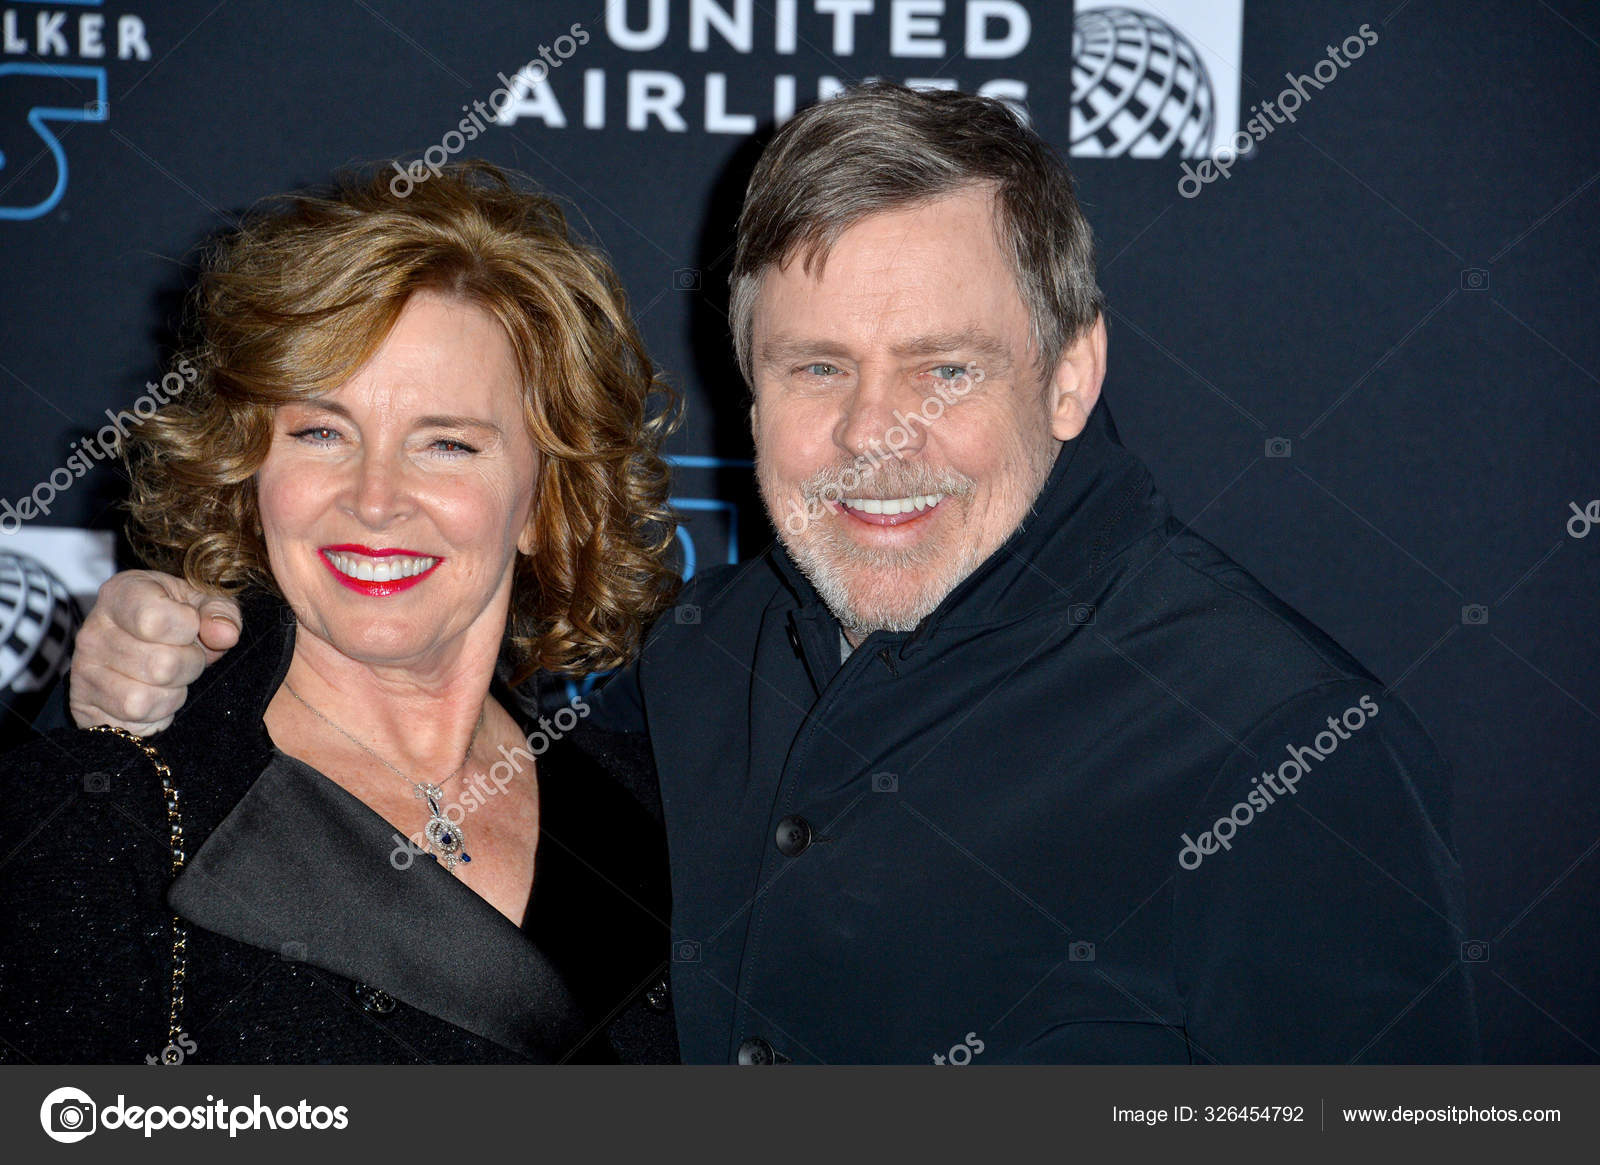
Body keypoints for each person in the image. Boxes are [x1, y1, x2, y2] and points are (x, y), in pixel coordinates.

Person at [55, 85, 1479, 1064]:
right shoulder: (688, 676)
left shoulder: (1284, 751)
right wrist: (159, 646)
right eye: (818, 368)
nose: (875, 436)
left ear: (1073, 372)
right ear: (746, 385)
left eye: (945, 367)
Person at [1, 162, 682, 1064]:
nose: (374, 499)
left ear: (547, 502)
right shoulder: (103, 818)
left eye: (446, 443)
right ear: (248, 472)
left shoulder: (650, 809)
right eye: (321, 431)